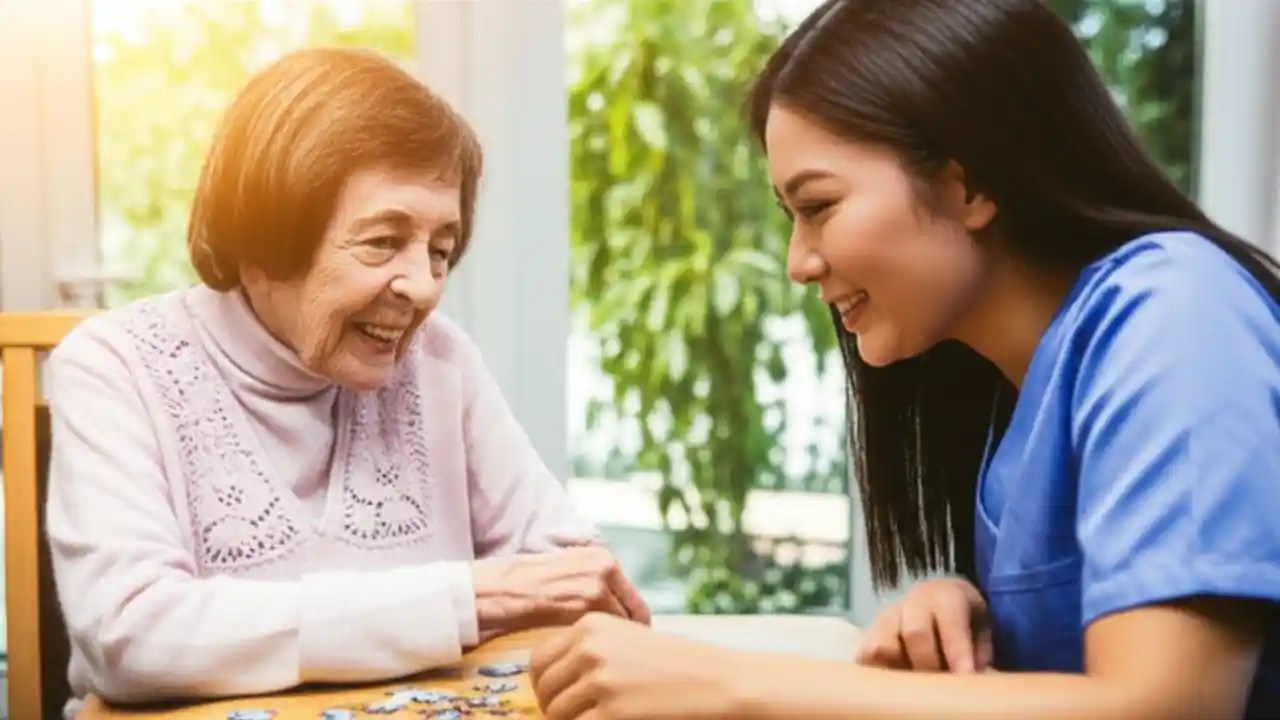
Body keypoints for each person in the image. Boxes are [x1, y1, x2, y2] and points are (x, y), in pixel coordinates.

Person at [529, 0, 1280, 718]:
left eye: (818, 207)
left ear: (968, 186)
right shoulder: (1012, 397)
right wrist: (982, 627)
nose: (798, 263)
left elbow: (1171, 705)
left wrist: (729, 685)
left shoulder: (1176, 307)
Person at [45, 47, 648, 715]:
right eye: (383, 242)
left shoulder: (441, 361)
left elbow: (569, 571)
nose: (423, 287)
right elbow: (130, 635)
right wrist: (473, 598)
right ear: (264, 244)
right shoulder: (112, 365)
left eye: (441, 249)